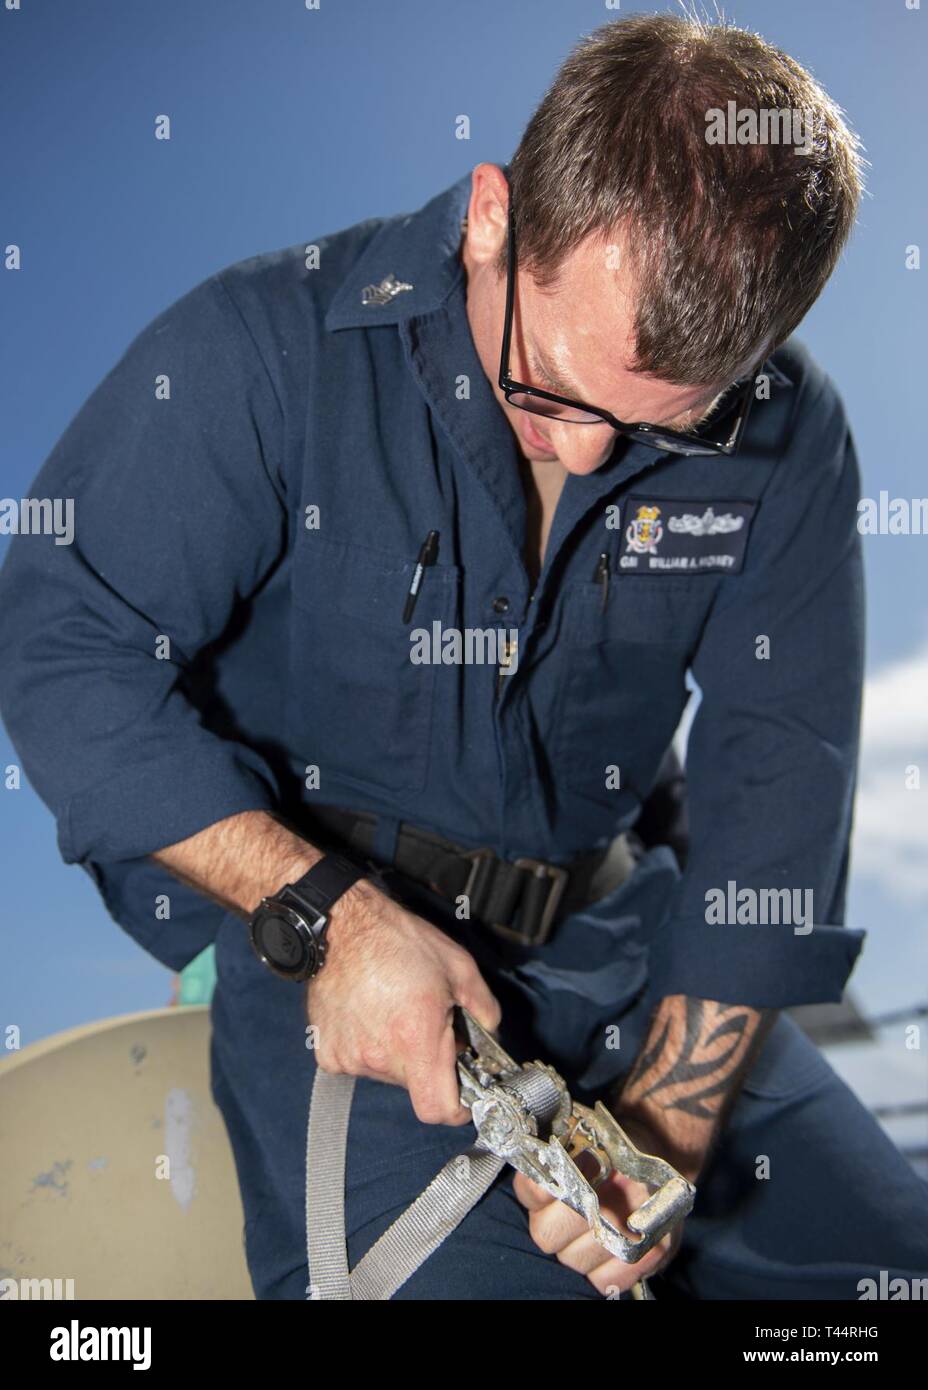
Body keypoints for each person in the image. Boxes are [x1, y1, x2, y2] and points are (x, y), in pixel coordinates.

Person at [1, 13, 926, 1300]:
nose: (590, 454)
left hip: (630, 943)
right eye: (550, 385)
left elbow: (781, 769)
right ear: (491, 216)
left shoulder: (791, 432)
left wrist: (664, 1122)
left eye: (673, 427)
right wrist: (324, 916)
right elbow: (62, 644)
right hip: (336, 956)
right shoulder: (261, 348)